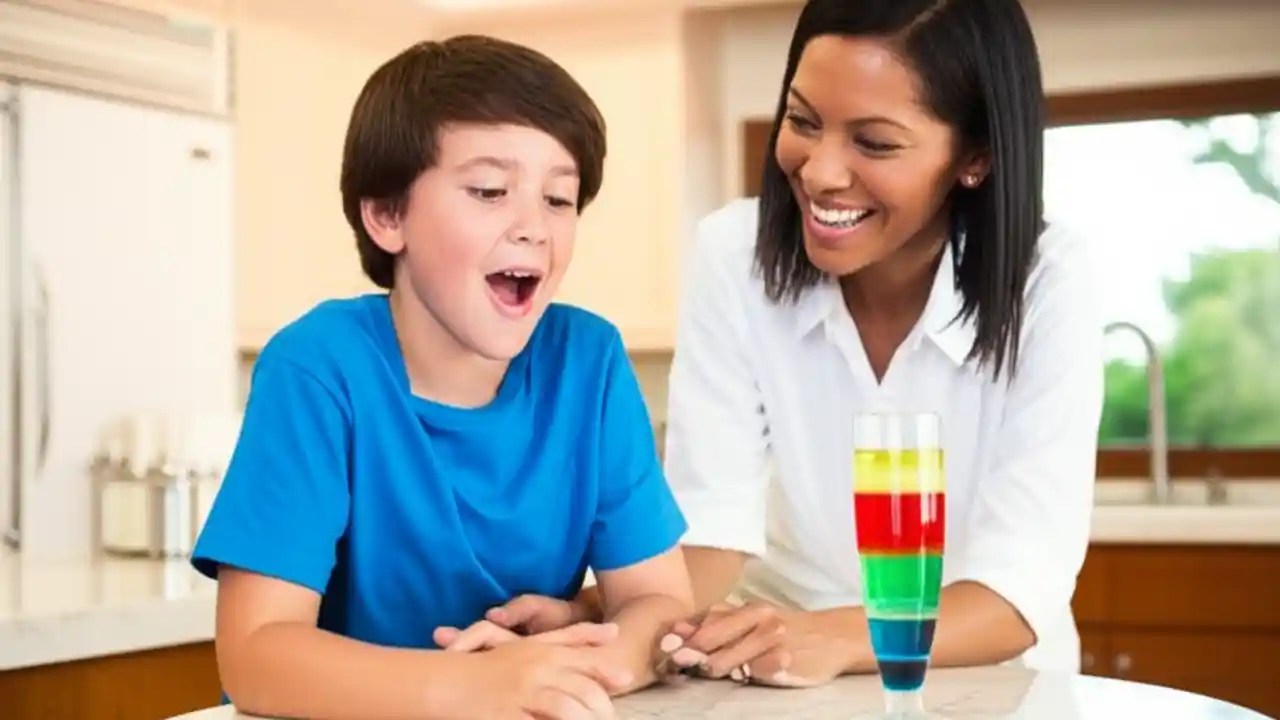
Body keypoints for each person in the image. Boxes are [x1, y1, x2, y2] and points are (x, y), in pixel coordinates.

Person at [474, 0, 1104, 689]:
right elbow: (712, 525)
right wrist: (597, 612)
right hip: (782, 672)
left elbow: (1017, 591)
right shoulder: (733, 256)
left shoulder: (1047, 282)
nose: (820, 171)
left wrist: (831, 635)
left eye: (875, 143)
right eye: (803, 121)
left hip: (981, 680)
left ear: (974, 157)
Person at [190, 35, 693, 720]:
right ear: (386, 215)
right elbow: (255, 654)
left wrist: (587, 662)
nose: (534, 229)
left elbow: (661, 603)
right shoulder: (318, 367)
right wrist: (483, 686)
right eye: (489, 190)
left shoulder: (590, 361)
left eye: (559, 199)